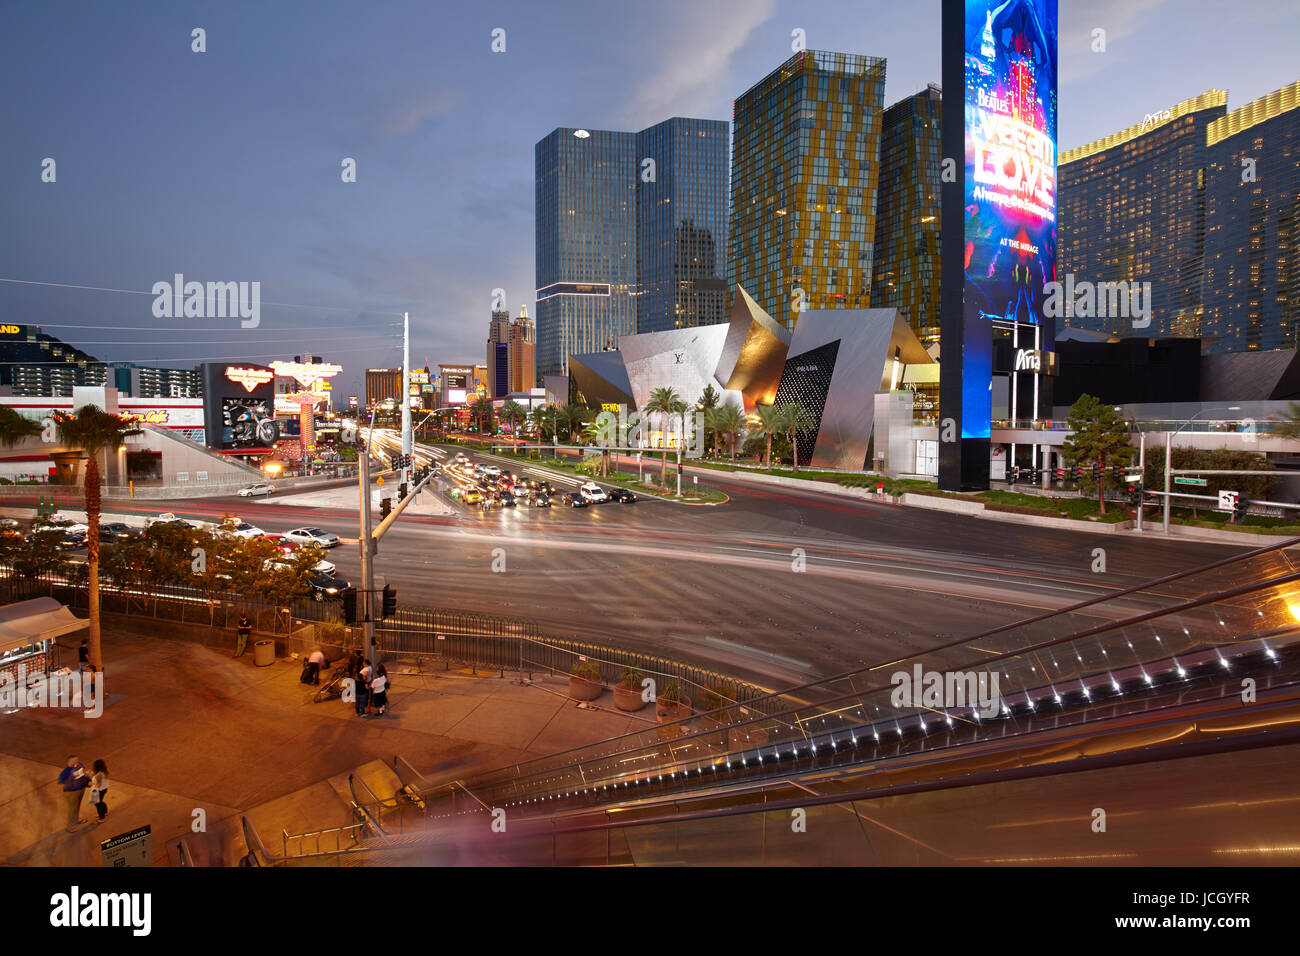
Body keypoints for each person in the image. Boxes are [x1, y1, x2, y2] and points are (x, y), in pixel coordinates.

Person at [57, 755, 90, 832]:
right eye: (74, 760)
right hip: (71, 792)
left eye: (77, 760)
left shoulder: (80, 765)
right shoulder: (66, 772)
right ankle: (70, 826)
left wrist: (87, 775)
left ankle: (76, 819)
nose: (76, 762)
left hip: (81, 789)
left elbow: (83, 772)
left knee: (77, 806)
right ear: (69, 762)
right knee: (72, 809)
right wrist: (72, 782)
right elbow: (61, 781)